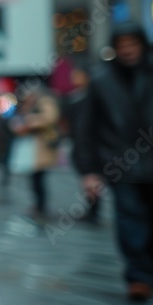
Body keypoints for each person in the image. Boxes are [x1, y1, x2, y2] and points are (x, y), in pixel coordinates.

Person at [76, 22, 153, 302]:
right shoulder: (101, 80)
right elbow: (86, 128)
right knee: (129, 218)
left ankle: (149, 270)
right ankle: (139, 276)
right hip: (121, 164)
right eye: (122, 46)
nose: (128, 51)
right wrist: (88, 171)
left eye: (133, 44)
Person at [10, 89, 60, 219]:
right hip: (31, 148)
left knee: (39, 178)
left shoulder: (45, 102)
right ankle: (38, 205)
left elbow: (50, 118)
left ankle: (41, 206)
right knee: (34, 179)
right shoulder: (27, 106)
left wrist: (29, 121)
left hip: (41, 148)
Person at [64, 66, 100, 223]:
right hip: (79, 144)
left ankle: (94, 211)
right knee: (87, 180)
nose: (74, 78)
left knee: (92, 179)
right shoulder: (74, 97)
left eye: (77, 75)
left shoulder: (92, 97)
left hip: (91, 146)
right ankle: (91, 209)